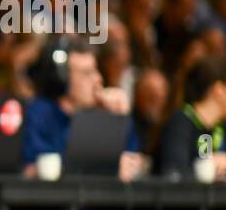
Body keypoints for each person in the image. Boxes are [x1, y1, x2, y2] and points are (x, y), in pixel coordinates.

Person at [21, 36, 144, 181]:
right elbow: (32, 170)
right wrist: (105, 167)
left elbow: (133, 161)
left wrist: (121, 117)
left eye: (96, 71)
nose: (98, 79)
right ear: (62, 79)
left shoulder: (104, 113)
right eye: (87, 73)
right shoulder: (40, 113)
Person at [156, 55, 226, 179]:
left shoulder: (219, 128)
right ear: (219, 90)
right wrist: (206, 169)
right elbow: (174, 174)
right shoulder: (180, 123)